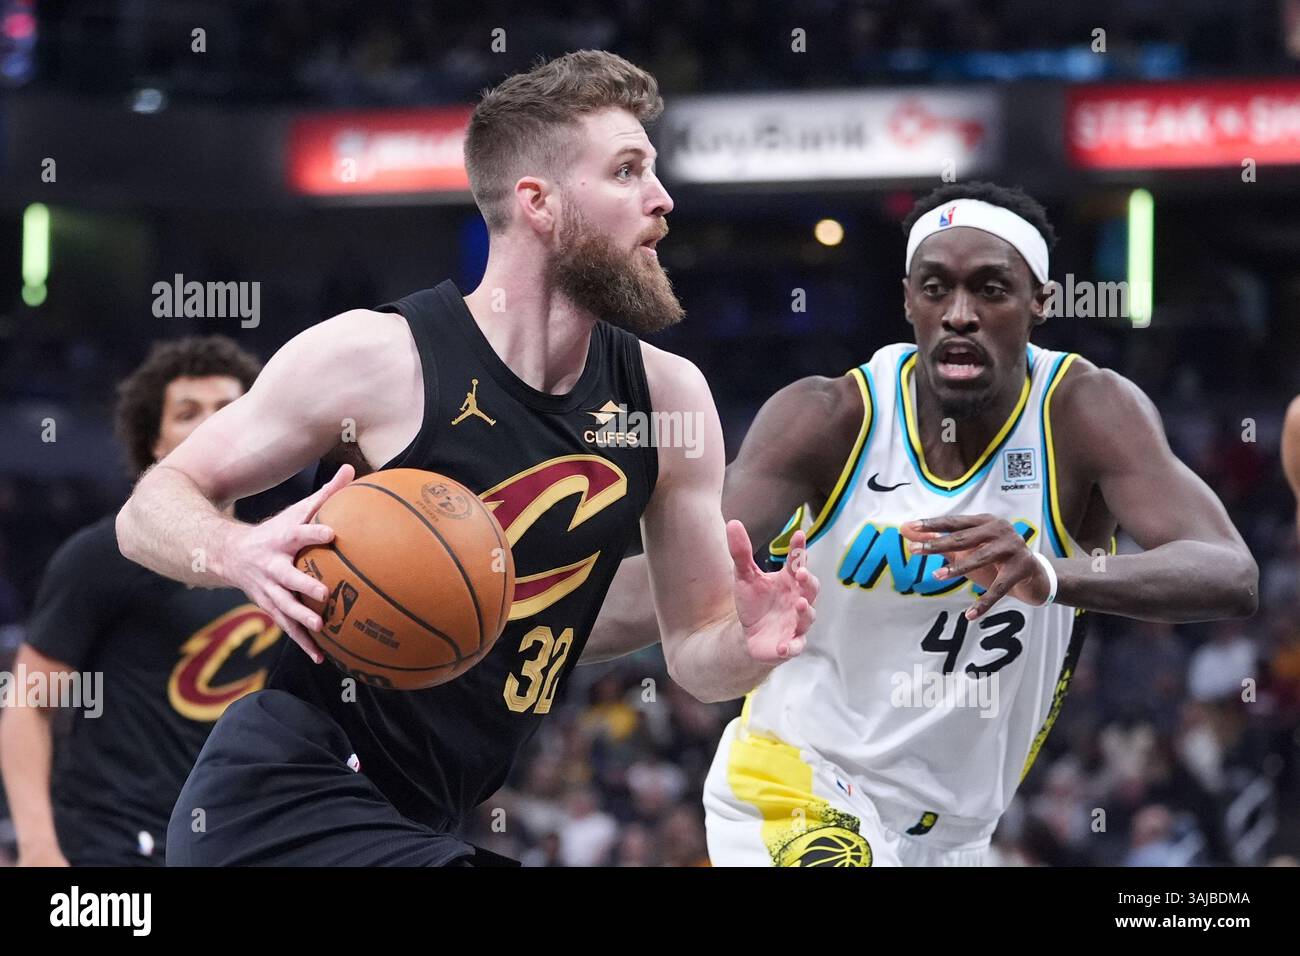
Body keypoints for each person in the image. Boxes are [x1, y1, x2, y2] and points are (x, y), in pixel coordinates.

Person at [114, 50, 818, 867]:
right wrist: (236, 549)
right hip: (284, 794)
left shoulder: (668, 401)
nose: (662, 201)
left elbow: (695, 650)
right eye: (627, 172)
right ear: (539, 203)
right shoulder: (376, 359)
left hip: (427, 818)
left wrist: (750, 644)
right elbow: (148, 507)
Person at [589, 181, 1259, 866]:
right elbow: (666, 585)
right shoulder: (829, 420)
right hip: (799, 782)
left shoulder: (1084, 413)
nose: (959, 314)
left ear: (1040, 303)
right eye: (936, 289)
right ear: (909, 299)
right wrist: (511, 633)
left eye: (991, 290)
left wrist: (1053, 574)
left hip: (958, 838)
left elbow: (1228, 570)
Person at [0, 336, 281, 866]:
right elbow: (28, 705)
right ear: (155, 443)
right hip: (112, 849)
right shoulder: (105, 554)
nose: (210, 424)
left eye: (227, 409)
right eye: (187, 412)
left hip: (232, 847)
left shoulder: (284, 554)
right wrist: (38, 847)